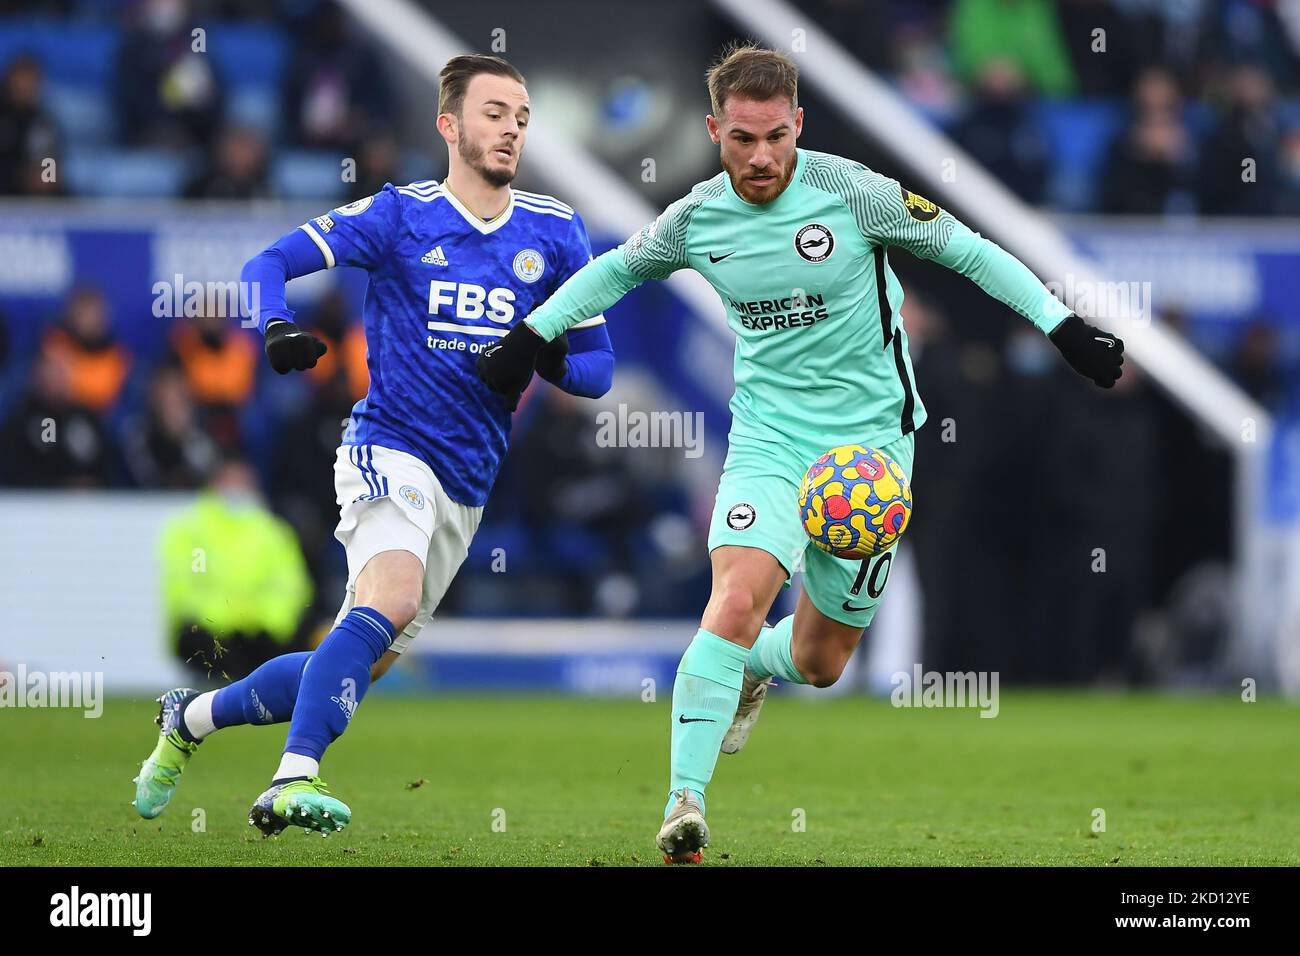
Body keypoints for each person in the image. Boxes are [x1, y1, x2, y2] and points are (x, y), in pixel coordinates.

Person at [476, 43, 1124, 863]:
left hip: (873, 452)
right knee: (737, 598)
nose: (760, 156)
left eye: (775, 136)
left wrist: (1061, 326)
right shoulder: (697, 218)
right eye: (742, 139)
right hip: (770, 441)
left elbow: (966, 246)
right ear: (714, 131)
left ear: (798, 126)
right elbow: (616, 271)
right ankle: (684, 802)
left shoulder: (853, 193)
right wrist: (530, 334)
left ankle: (756, 670)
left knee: (820, 661)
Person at [131, 55, 615, 834]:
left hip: (466, 486)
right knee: (385, 603)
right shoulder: (399, 214)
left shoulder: (555, 232)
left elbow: (598, 368)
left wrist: (542, 352)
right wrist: (276, 326)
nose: (512, 130)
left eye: (522, 118)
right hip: (388, 447)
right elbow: (267, 263)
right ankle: (291, 779)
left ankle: (190, 719)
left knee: (361, 659)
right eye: (495, 113)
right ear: (449, 126)